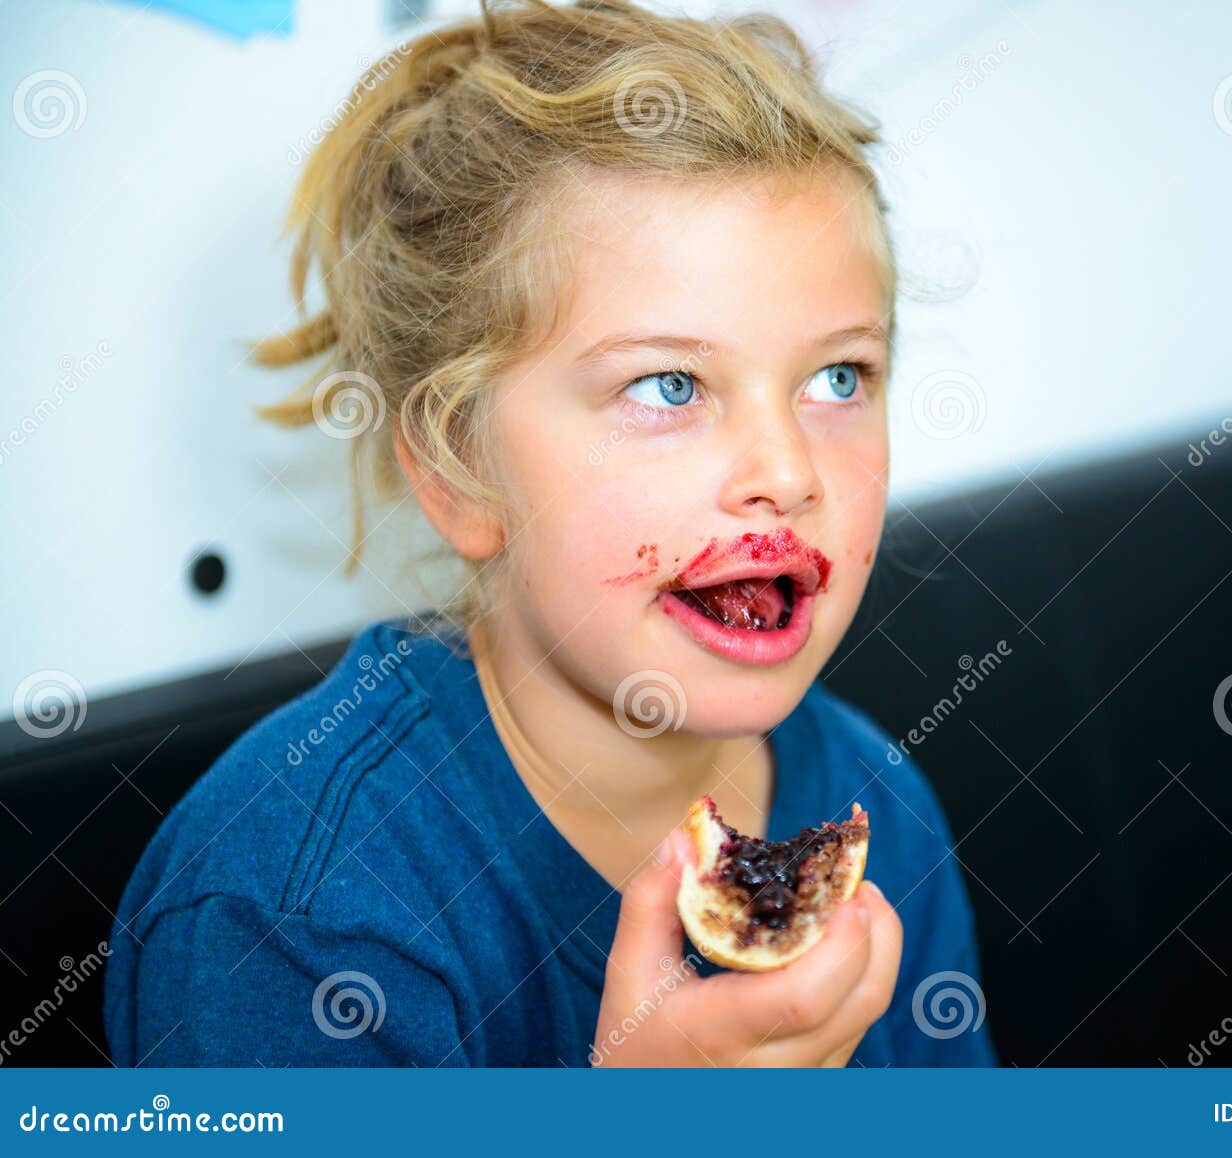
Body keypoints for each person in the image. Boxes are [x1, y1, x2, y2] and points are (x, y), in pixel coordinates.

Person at [105, 0, 995, 1067]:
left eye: (836, 378)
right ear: (456, 471)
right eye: (668, 385)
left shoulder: (881, 809)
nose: (787, 473)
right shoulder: (288, 916)